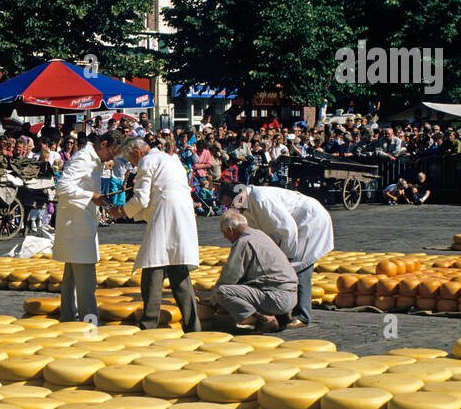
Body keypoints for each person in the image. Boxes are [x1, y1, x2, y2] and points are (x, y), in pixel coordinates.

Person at [219, 181, 334, 328]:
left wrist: (286, 258)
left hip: (308, 222)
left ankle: (302, 316)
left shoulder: (261, 199)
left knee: (299, 267)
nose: (231, 209)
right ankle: (283, 313)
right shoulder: (245, 206)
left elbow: (288, 229)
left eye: (231, 205)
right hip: (286, 232)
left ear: (239, 197)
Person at [116, 136, 201, 332]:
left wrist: (122, 211)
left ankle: (149, 324)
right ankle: (193, 325)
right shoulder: (171, 159)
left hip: (166, 212)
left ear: (137, 152)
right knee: (179, 271)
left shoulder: (147, 160)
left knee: (154, 267)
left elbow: (142, 198)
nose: (132, 163)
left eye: (131, 159)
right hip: (183, 212)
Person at [53, 130, 124, 323]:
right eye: (111, 153)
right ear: (104, 144)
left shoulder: (93, 160)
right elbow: (62, 187)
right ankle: (89, 320)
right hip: (77, 225)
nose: (112, 158)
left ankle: (68, 317)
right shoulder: (84, 159)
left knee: (71, 278)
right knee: (85, 280)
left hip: (80, 223)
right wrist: (92, 196)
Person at [211, 210, 300, 333]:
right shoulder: (260, 234)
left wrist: (214, 298)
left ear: (231, 230)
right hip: (292, 294)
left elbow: (230, 276)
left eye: (224, 233)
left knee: (222, 291)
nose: (224, 237)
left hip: (277, 298)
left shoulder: (243, 242)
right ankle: (281, 316)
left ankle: (264, 319)